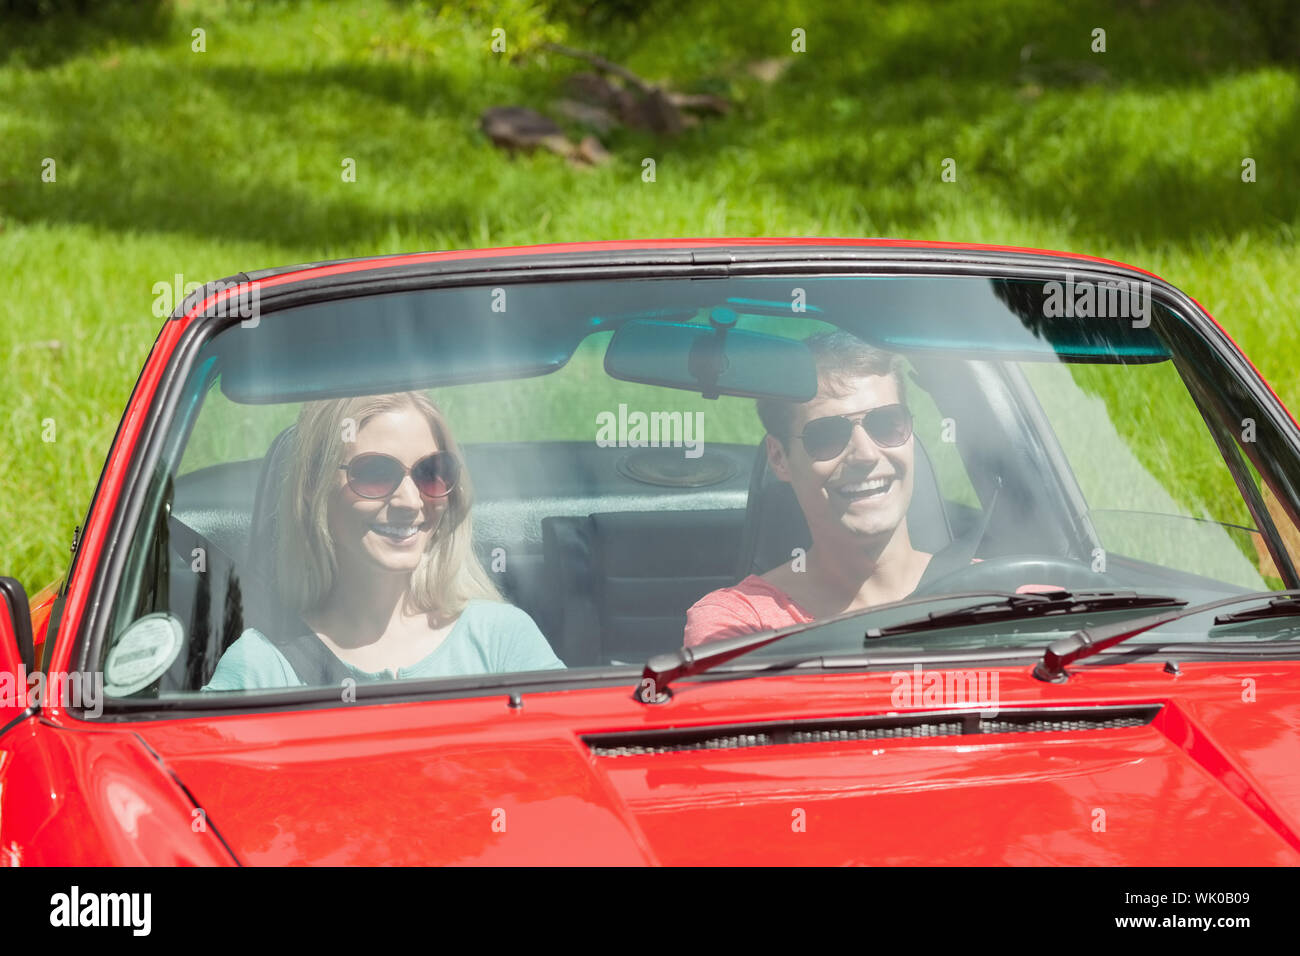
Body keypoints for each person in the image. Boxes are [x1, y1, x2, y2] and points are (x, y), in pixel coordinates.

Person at [204, 390, 563, 690]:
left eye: (432, 474)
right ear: (313, 486)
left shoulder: (503, 640)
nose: (410, 502)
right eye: (375, 473)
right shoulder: (260, 670)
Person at [685, 331, 934, 648]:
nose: (866, 455)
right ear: (779, 458)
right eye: (827, 435)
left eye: (886, 423)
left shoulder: (1000, 592)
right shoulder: (740, 625)